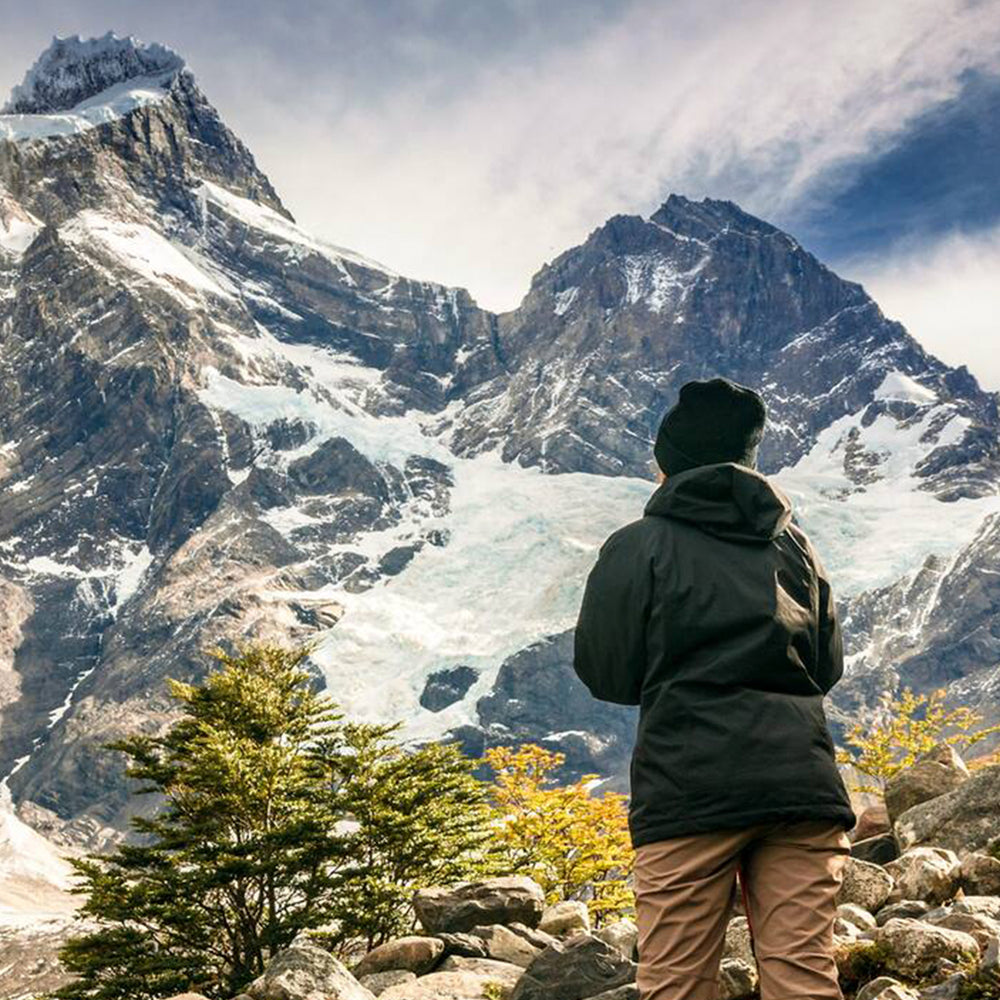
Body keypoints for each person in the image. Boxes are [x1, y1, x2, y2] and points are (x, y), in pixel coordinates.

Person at [573, 376, 856, 1000]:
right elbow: (826, 666)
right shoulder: (795, 548)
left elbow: (605, 671)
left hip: (689, 788)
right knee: (804, 975)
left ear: (668, 462)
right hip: (801, 787)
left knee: (676, 983)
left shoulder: (638, 547)